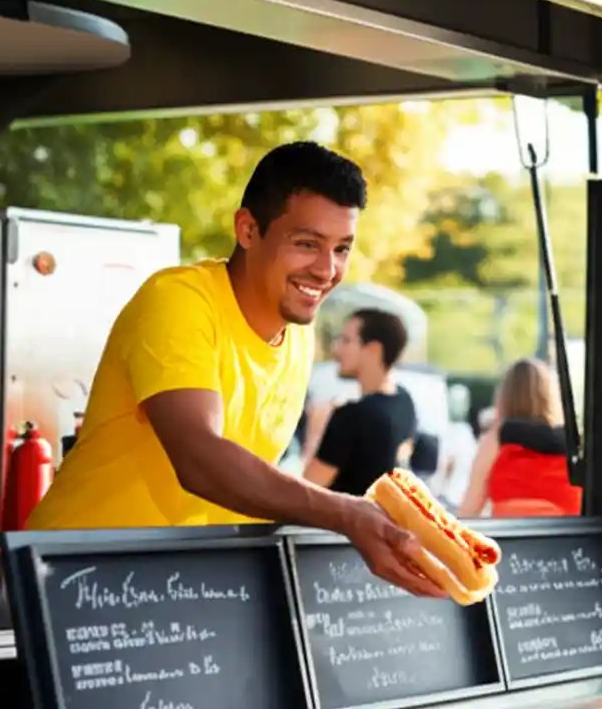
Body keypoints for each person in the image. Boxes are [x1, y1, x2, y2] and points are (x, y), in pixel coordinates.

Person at [24, 141, 443, 600]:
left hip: (176, 593)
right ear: (247, 229)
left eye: (342, 248)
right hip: (67, 586)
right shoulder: (180, 301)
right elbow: (200, 459)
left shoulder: (297, 333)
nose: (327, 269)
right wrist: (344, 513)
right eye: (307, 244)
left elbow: (252, 487)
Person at [303, 308, 418, 495]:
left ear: (373, 349)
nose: (337, 350)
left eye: (346, 341)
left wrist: (314, 433)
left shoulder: (352, 416)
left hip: (341, 522)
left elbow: (306, 492)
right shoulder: (404, 402)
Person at [457, 358, 581, 517]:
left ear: (504, 397)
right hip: (565, 538)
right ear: (550, 397)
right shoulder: (572, 445)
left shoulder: (497, 439)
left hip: (512, 537)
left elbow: (470, 509)